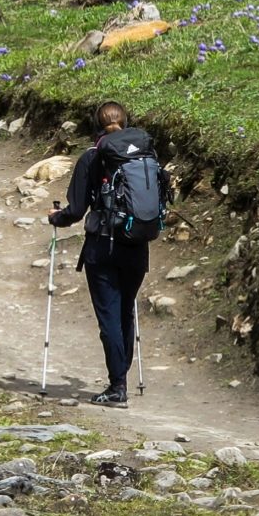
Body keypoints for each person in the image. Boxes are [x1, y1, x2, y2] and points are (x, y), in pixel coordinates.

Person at [48, 101, 172, 406]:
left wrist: (56, 218)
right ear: (126, 122)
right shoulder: (147, 156)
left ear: (96, 125)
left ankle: (118, 386)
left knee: (109, 318)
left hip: (103, 248)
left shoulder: (93, 156)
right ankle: (121, 377)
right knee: (125, 310)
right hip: (138, 245)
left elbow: (76, 211)